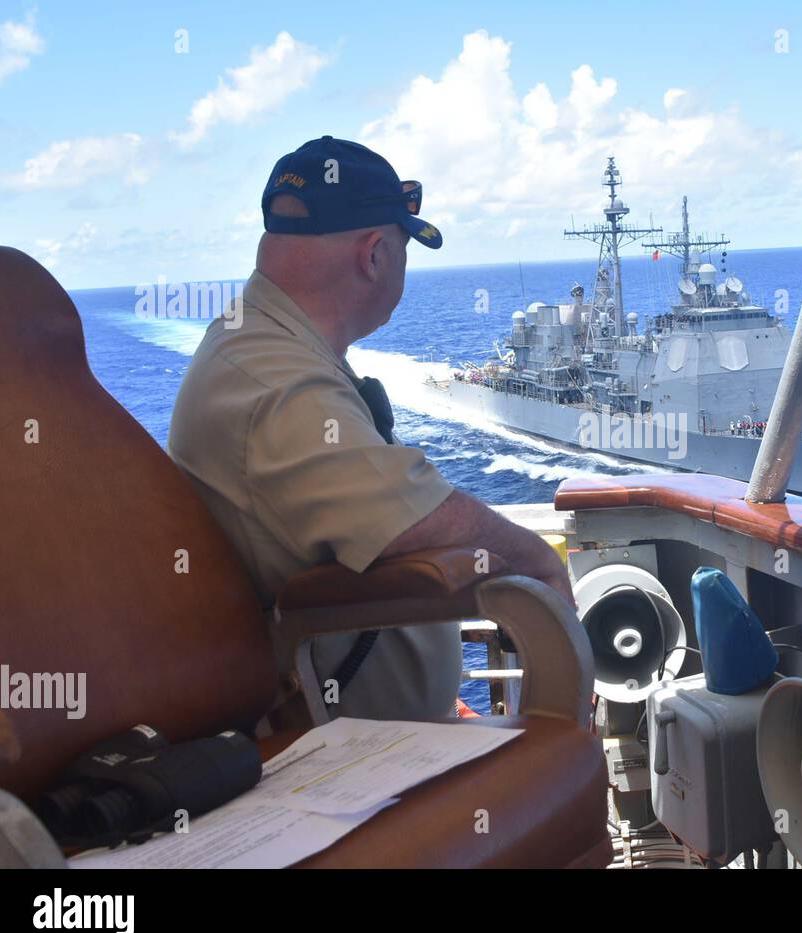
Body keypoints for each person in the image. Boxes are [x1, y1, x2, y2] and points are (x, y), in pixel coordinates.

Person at [169, 136, 571, 722]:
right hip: (330, 760)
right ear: (375, 254)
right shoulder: (274, 381)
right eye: (405, 250)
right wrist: (540, 565)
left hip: (367, 725)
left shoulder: (270, 347)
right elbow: (419, 521)